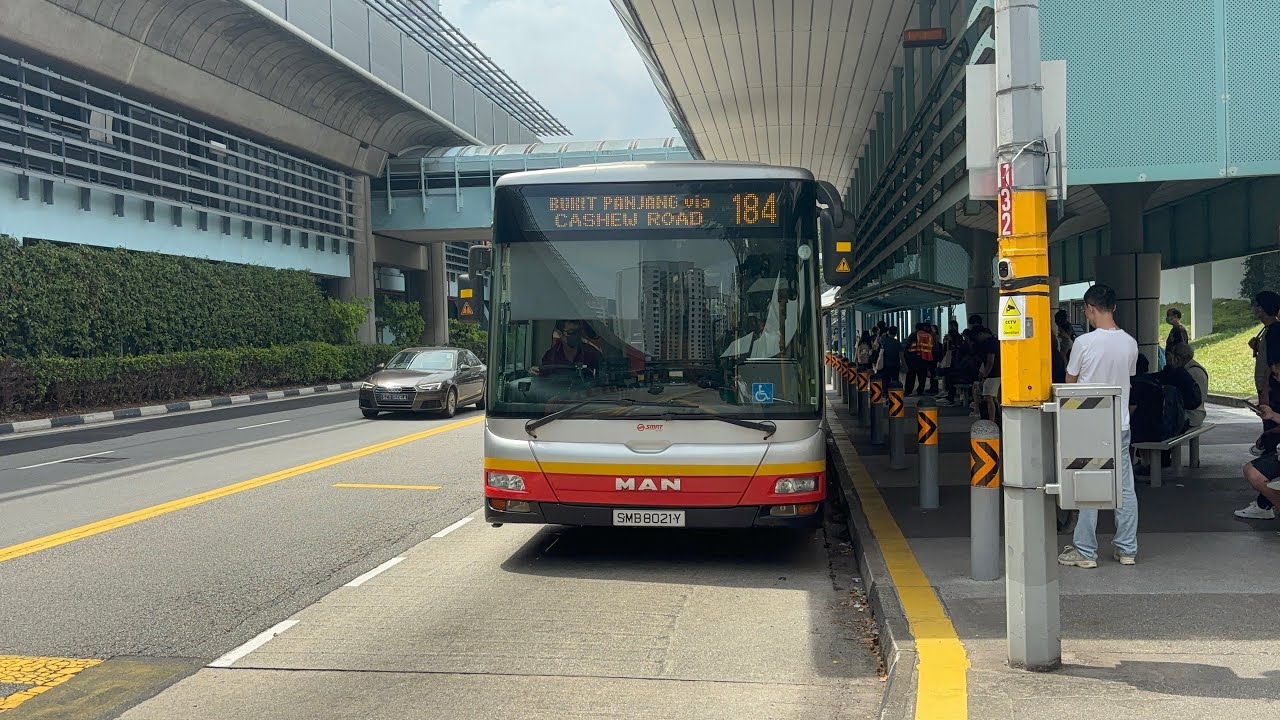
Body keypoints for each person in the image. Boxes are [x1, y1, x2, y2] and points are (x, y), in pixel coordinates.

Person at [1058, 284, 1140, 568]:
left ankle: (1085, 551)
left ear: (1089, 309)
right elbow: (1127, 377)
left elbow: (1070, 382)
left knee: (1088, 486)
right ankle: (1127, 549)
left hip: (1088, 424)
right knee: (1125, 487)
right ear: (1113, 307)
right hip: (1120, 425)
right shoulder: (1130, 343)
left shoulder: (1084, 343)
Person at [1248, 292, 1280, 458]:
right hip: (1269, 388)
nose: (1255, 309)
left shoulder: (1275, 331)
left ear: (1262, 308)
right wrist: (1257, 348)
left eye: (1257, 305)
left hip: (1272, 390)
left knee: (1271, 422)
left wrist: (1265, 391)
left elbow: (1273, 365)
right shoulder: (1269, 330)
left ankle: (1269, 458)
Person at [529, 319, 602, 376]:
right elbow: (543, 379)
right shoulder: (551, 356)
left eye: (578, 331)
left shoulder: (592, 354)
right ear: (560, 333)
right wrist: (534, 372)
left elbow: (603, 379)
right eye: (571, 333)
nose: (576, 335)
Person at [975, 325, 1001, 422]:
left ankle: (991, 419)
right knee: (994, 397)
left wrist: (984, 375)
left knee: (988, 397)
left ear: (981, 334)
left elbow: (990, 361)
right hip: (997, 373)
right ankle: (997, 418)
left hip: (992, 374)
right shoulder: (996, 341)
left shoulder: (990, 344)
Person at [905, 322, 935, 396]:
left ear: (917, 328)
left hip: (913, 357)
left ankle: (908, 391)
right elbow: (931, 347)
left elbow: (907, 345)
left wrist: (906, 356)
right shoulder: (929, 336)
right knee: (922, 376)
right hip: (925, 358)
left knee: (911, 376)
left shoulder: (914, 334)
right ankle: (920, 391)